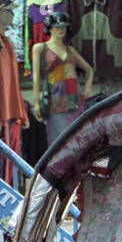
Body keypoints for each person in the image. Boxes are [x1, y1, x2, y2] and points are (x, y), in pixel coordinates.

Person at [30, 11, 94, 143]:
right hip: (54, 97)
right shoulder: (40, 48)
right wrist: (36, 102)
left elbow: (89, 70)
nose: (61, 30)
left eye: (63, 27)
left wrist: (88, 86)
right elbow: (36, 76)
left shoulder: (70, 50)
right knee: (57, 139)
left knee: (77, 137)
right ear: (50, 28)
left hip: (75, 97)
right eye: (57, 27)